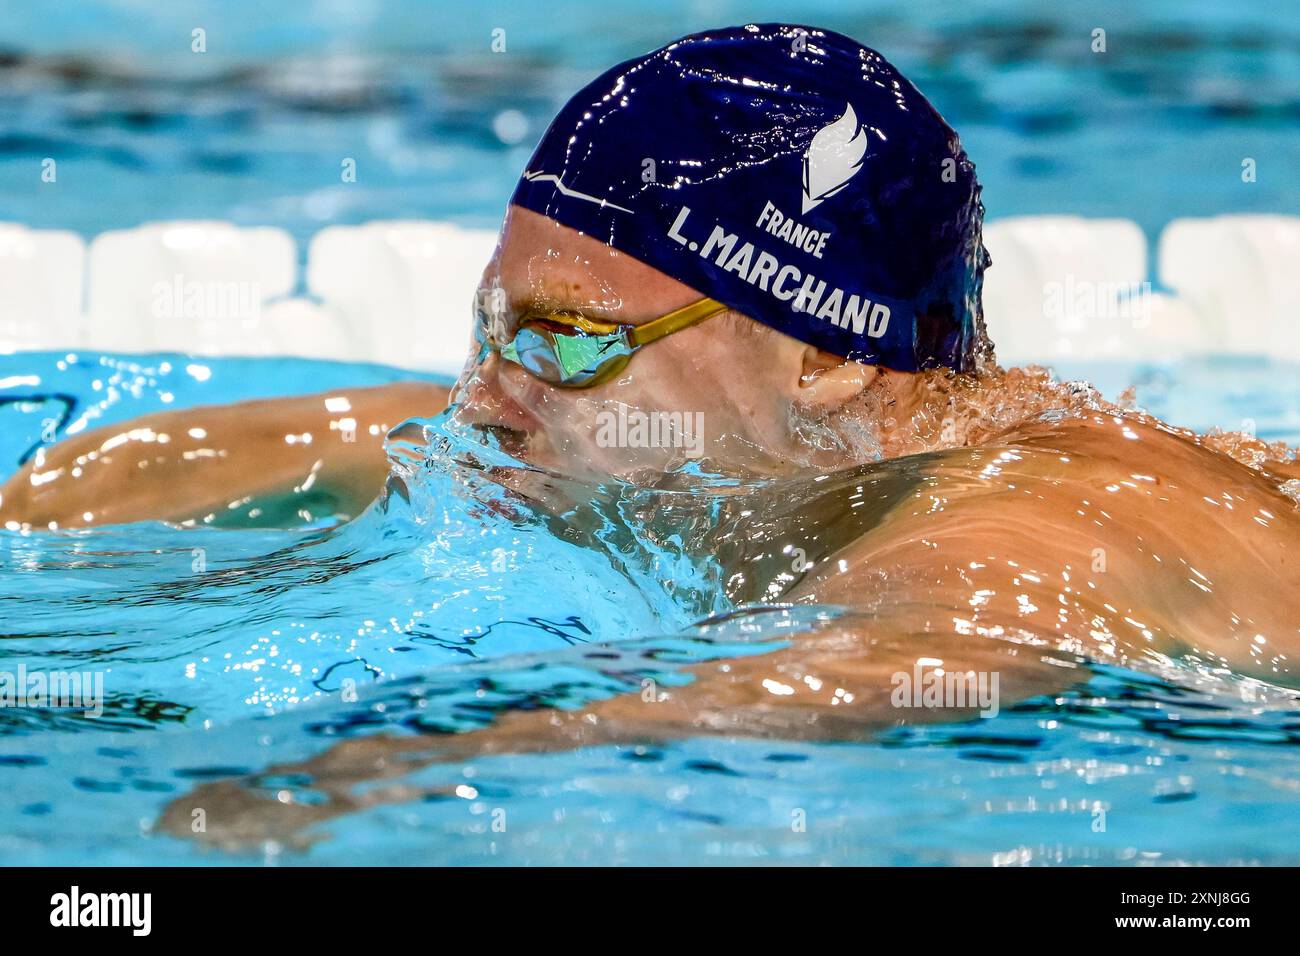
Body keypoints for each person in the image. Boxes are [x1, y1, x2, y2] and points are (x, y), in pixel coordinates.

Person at [2, 25, 1297, 844]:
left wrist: (370, 775)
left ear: (831, 360)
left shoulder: (1008, 536)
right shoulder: (717, 437)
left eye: (566, 342)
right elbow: (352, 431)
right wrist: (43, 499)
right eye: (492, 329)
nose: (489, 393)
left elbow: (835, 679)